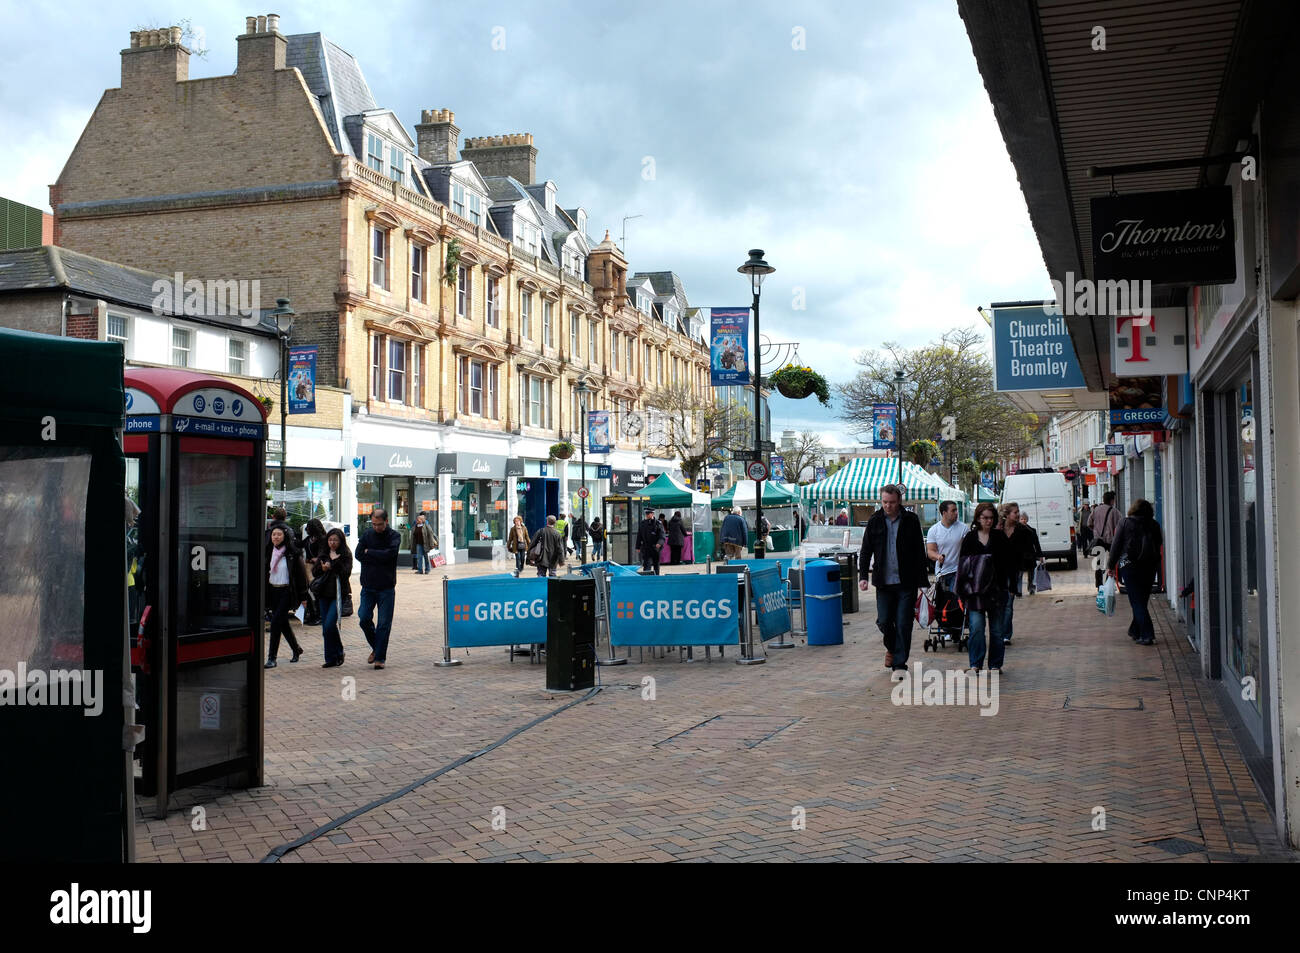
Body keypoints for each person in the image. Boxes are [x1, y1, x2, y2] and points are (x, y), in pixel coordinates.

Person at [858, 485, 929, 672]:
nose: (888, 506)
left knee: (904, 623)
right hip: (883, 582)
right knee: (884, 621)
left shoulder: (911, 520)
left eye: (892, 502)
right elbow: (866, 550)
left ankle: (899, 663)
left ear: (899, 501)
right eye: (884, 502)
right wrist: (863, 576)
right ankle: (892, 648)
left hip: (906, 582)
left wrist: (923, 581)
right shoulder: (875, 521)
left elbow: (919, 552)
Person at [956, 502, 1013, 673]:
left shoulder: (999, 537)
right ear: (978, 518)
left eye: (991, 518)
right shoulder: (970, 538)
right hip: (975, 592)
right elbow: (963, 565)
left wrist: (1008, 586)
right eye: (985, 518)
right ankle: (975, 664)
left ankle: (995, 664)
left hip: (996, 590)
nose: (988, 521)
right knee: (976, 628)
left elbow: (1007, 563)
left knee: (996, 630)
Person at [1108, 499, 1164, 645]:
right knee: (1141, 600)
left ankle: (1147, 634)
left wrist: (1110, 565)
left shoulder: (1124, 523)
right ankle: (1135, 630)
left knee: (1136, 601)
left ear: (1133, 509)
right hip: (1150, 566)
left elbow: (1116, 546)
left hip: (1129, 565)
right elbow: (1158, 544)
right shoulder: (1154, 524)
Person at [355, 506, 400, 670]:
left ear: (386, 522)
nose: (376, 527)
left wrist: (370, 552)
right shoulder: (367, 534)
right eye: (373, 524)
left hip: (386, 587)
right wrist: (376, 554)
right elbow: (358, 554)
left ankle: (380, 658)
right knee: (363, 617)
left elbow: (390, 555)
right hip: (368, 585)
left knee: (383, 623)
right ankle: (377, 647)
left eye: (379, 524)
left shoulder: (394, 536)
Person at [264, 521, 307, 668]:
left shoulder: (293, 554)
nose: (275, 537)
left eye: (279, 534)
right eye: (273, 534)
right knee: (282, 623)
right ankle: (296, 649)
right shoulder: (268, 552)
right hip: (272, 591)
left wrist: (303, 597)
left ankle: (272, 658)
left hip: (287, 592)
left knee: (275, 623)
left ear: (285, 536)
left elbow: (302, 577)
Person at [311, 528, 353, 668]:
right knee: (326, 628)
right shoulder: (323, 553)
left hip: (338, 594)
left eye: (335, 540)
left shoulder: (346, 554)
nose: (332, 543)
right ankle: (331, 658)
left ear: (341, 541)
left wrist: (335, 562)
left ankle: (338, 652)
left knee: (329, 625)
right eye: (330, 540)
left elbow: (346, 573)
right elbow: (314, 571)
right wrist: (322, 568)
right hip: (323, 594)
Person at [997, 502, 1038, 644]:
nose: (1018, 514)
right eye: (1015, 512)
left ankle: (1005, 635)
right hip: (998, 572)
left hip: (1014, 571)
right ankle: (998, 631)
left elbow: (1029, 549)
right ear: (1007, 515)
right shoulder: (998, 530)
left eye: (1018, 511)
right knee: (999, 604)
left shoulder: (1023, 531)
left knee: (1009, 603)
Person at [925, 500, 967, 596]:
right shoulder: (934, 530)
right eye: (953, 510)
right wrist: (938, 556)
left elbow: (968, 548)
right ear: (944, 513)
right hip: (942, 571)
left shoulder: (963, 528)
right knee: (943, 600)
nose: (956, 513)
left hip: (958, 570)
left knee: (954, 596)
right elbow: (930, 551)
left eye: (956, 510)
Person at [1018, 510, 1044, 594]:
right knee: (1019, 574)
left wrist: (1040, 555)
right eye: (1021, 519)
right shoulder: (1016, 531)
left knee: (1031, 574)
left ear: (1027, 520)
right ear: (1019, 520)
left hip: (1030, 555)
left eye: (1025, 519)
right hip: (1020, 556)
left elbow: (1037, 544)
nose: (1023, 521)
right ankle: (1018, 591)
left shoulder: (1032, 530)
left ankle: (1031, 588)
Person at [636, 507, 666, 574]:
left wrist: (659, 543)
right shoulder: (643, 524)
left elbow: (662, 536)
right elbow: (639, 535)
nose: (647, 515)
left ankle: (656, 579)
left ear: (652, 514)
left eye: (648, 513)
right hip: (646, 548)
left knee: (656, 565)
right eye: (646, 513)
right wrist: (638, 546)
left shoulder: (658, 524)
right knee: (647, 565)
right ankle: (646, 580)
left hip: (655, 548)